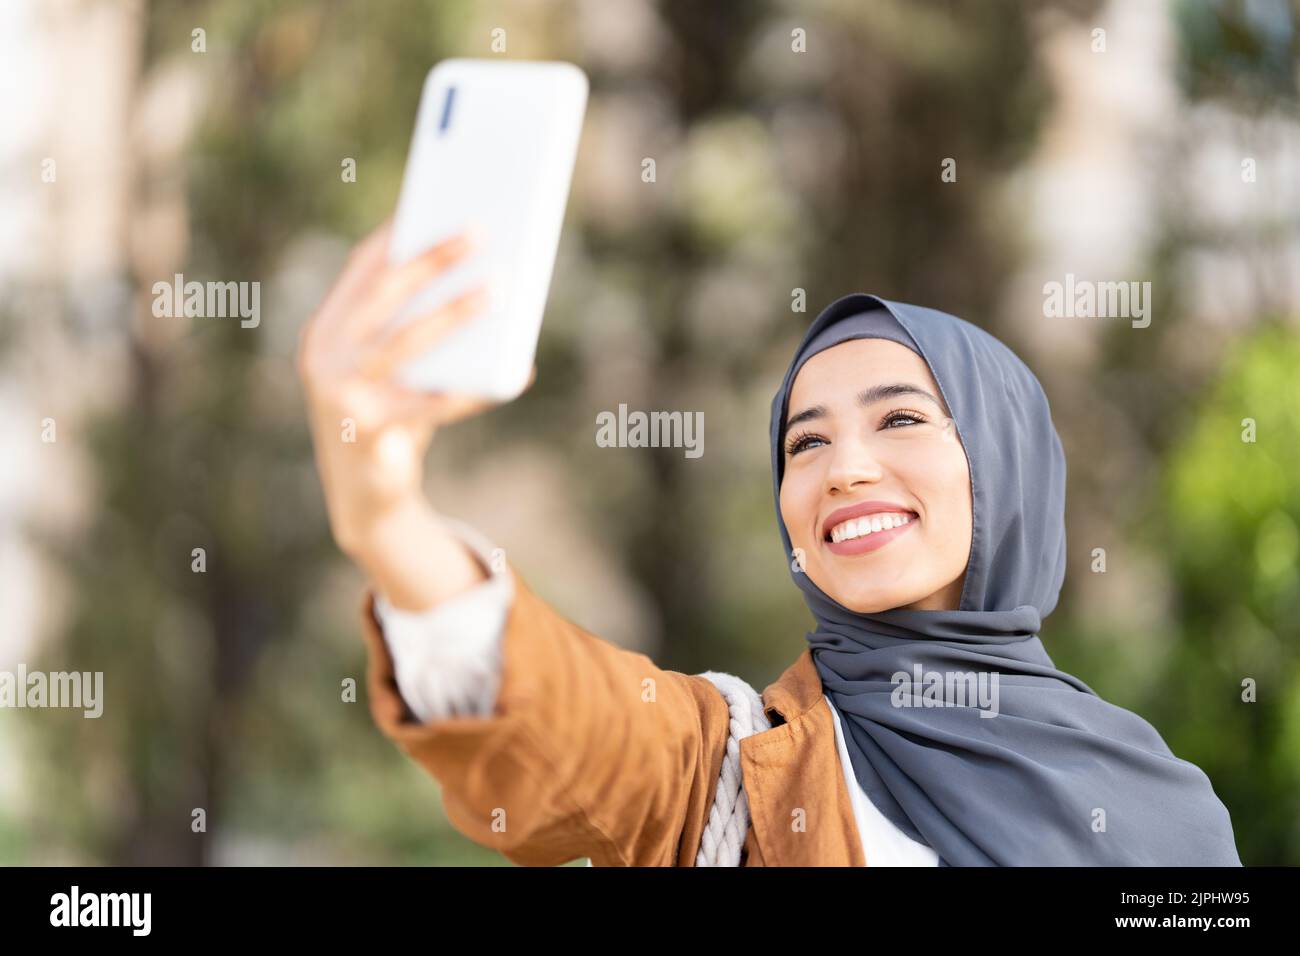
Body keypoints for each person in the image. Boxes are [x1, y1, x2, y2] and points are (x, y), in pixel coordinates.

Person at [298, 221, 1243, 867]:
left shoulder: (1168, 809)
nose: (846, 470)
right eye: (807, 441)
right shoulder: (731, 765)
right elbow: (578, 723)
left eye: (902, 419)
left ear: (1004, 462)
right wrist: (386, 520)